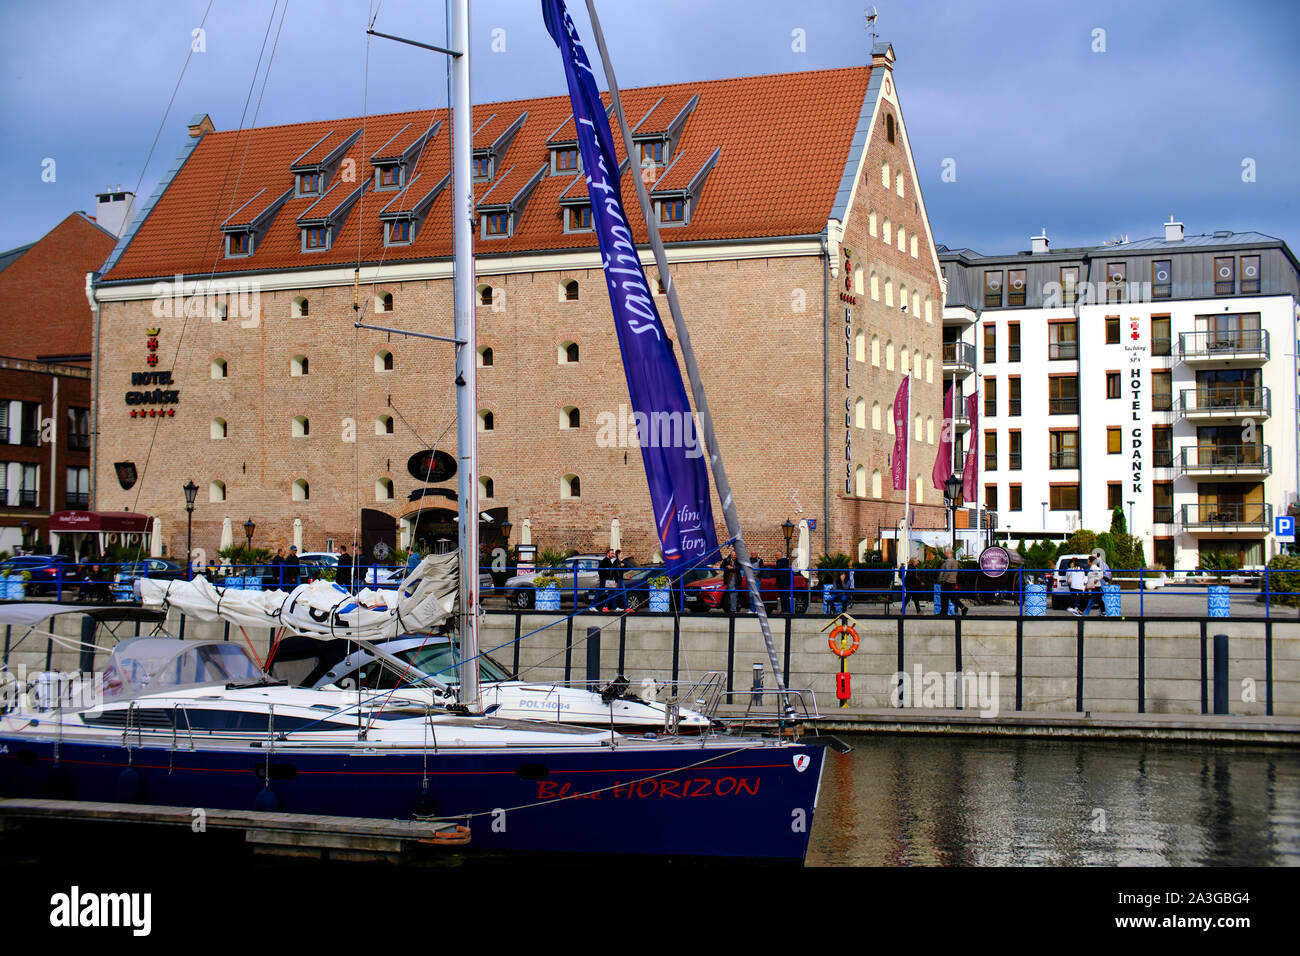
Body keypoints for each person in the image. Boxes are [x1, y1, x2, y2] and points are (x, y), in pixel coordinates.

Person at [939, 548, 968, 616]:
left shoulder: (948, 561)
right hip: (952, 581)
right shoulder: (955, 561)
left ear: (947, 553)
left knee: (944, 597)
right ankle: (963, 608)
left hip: (947, 581)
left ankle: (944, 612)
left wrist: (943, 579)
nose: (945, 554)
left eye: (945, 553)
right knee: (952, 597)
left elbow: (947, 571)